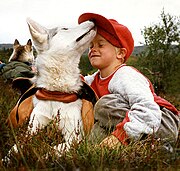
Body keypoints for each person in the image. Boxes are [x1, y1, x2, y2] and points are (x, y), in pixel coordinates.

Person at [78, 13, 179, 151]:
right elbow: (76, 83)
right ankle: (149, 148)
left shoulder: (126, 75)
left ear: (120, 53)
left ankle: (160, 146)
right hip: (135, 122)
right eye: (90, 46)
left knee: (104, 106)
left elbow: (148, 109)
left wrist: (120, 136)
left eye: (100, 45)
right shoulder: (94, 79)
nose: (93, 49)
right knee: (93, 140)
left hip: (163, 121)